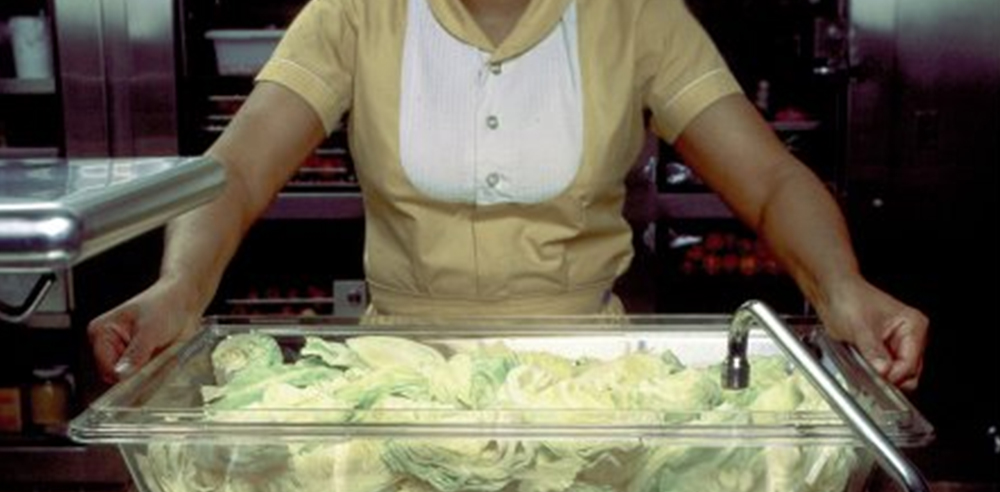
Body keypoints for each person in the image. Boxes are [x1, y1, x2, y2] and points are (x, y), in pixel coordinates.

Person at [89, 0, 927, 390]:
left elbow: (773, 179)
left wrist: (840, 285)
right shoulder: (354, 14)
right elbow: (232, 172)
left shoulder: (635, 17)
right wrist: (178, 290)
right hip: (401, 382)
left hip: (586, 388)